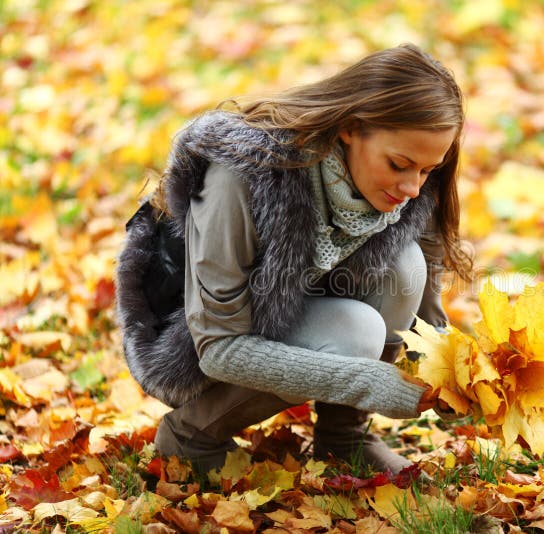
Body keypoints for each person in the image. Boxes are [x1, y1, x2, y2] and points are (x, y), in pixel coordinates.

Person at [115, 43, 472, 475]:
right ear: (350, 128)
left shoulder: (407, 187)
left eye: (427, 171)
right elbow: (218, 347)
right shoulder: (245, 175)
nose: (413, 187)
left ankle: (344, 437)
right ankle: (192, 434)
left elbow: (427, 313)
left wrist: (452, 373)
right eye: (399, 164)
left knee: (405, 266)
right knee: (356, 331)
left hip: (294, 306)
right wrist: (367, 382)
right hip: (192, 338)